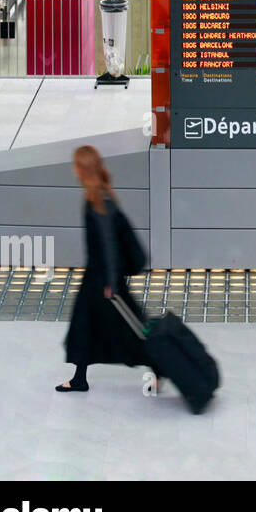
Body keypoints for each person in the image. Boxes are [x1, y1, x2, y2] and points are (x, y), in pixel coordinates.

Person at [57, 146, 153, 393]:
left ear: (82, 169)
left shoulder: (100, 201)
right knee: (87, 326)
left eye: (76, 165)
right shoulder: (96, 196)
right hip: (97, 276)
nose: (73, 169)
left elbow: (109, 245)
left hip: (103, 280)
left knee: (129, 330)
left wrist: (110, 283)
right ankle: (79, 378)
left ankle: (160, 366)